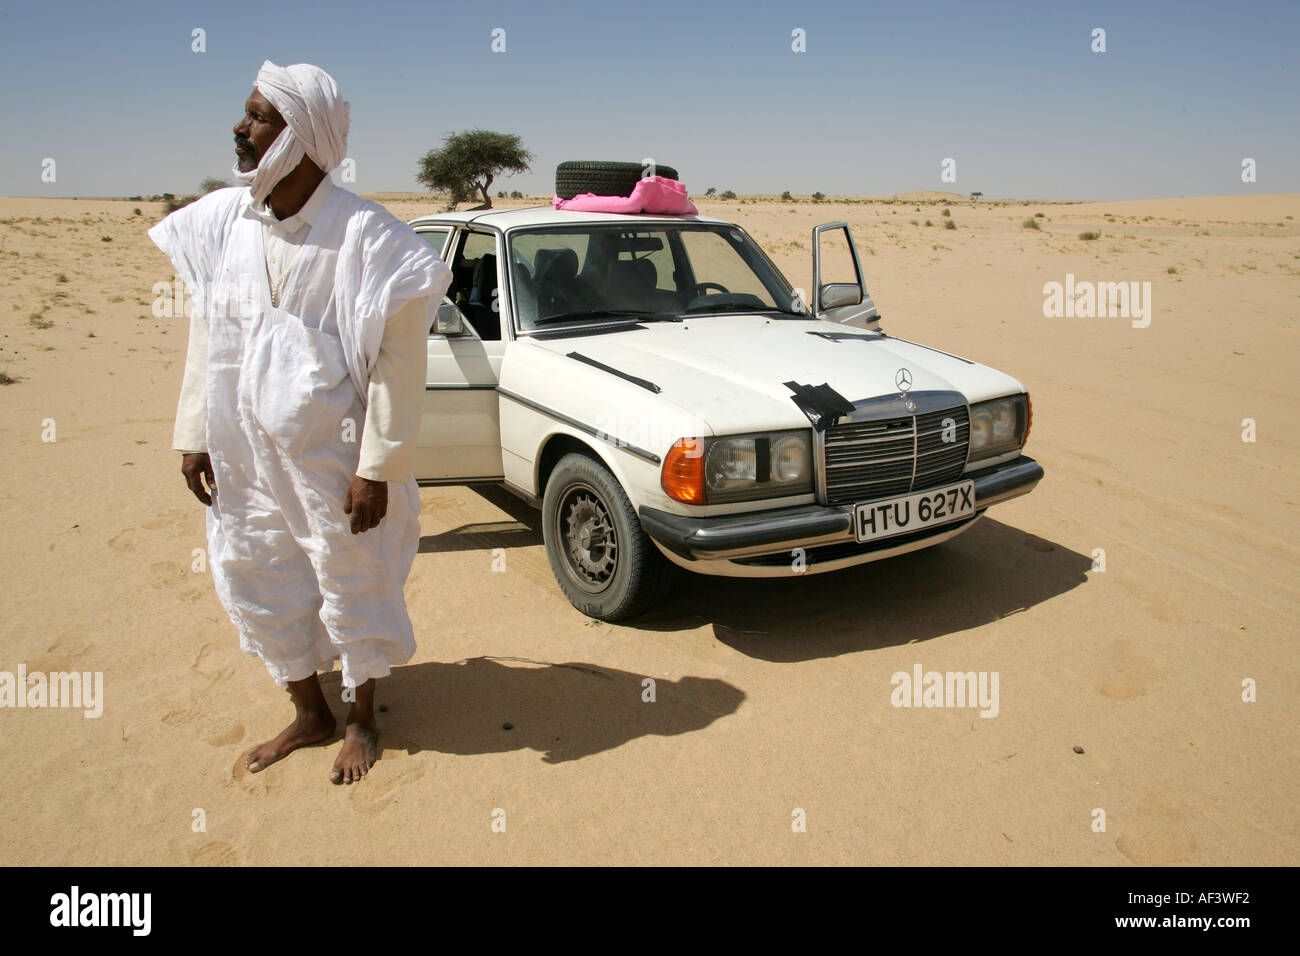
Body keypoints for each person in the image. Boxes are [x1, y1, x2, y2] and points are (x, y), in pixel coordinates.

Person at [149, 61, 452, 784]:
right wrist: (194, 430)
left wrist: (377, 467)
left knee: (352, 577)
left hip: (332, 458)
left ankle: (360, 719)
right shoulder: (227, 221)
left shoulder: (371, 241)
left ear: (303, 138)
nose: (240, 128)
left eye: (258, 116)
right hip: (243, 451)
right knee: (256, 568)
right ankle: (310, 713)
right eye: (247, 114)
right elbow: (210, 334)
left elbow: (398, 368)